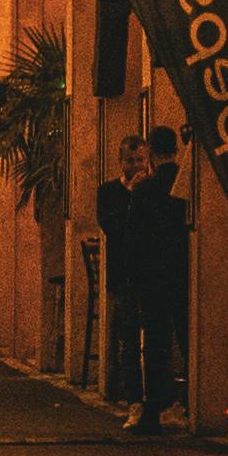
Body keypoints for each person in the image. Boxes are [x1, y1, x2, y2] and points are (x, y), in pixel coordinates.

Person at [122, 127, 190, 433]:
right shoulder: (186, 184)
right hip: (183, 270)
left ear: (150, 151)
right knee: (187, 337)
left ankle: (156, 406)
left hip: (151, 274)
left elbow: (132, 237)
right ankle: (188, 402)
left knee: (155, 341)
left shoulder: (145, 189)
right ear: (175, 149)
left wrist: (134, 275)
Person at [94, 130, 147, 406]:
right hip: (122, 273)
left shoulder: (153, 189)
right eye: (130, 160)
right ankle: (132, 395)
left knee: (152, 339)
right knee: (128, 338)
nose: (136, 166)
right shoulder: (108, 192)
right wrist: (131, 195)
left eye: (140, 160)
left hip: (148, 274)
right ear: (120, 162)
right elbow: (112, 226)